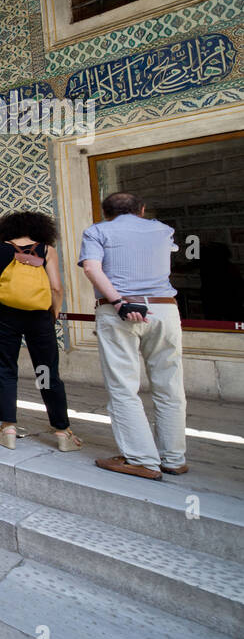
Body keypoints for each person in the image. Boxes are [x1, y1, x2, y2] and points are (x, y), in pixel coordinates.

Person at [79, 191, 187, 480]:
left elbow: (91, 268)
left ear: (106, 212)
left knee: (123, 386)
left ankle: (141, 459)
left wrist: (118, 302)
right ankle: (173, 458)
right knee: (170, 383)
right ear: (142, 209)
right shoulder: (163, 230)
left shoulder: (97, 231)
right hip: (164, 310)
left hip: (120, 310)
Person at [0, 211, 82, 452]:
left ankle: (8, 429)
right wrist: (52, 315)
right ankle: (62, 431)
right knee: (47, 371)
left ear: (7, 229)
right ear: (41, 229)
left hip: (5, 315)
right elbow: (56, 288)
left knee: (6, 369)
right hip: (40, 317)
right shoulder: (47, 250)